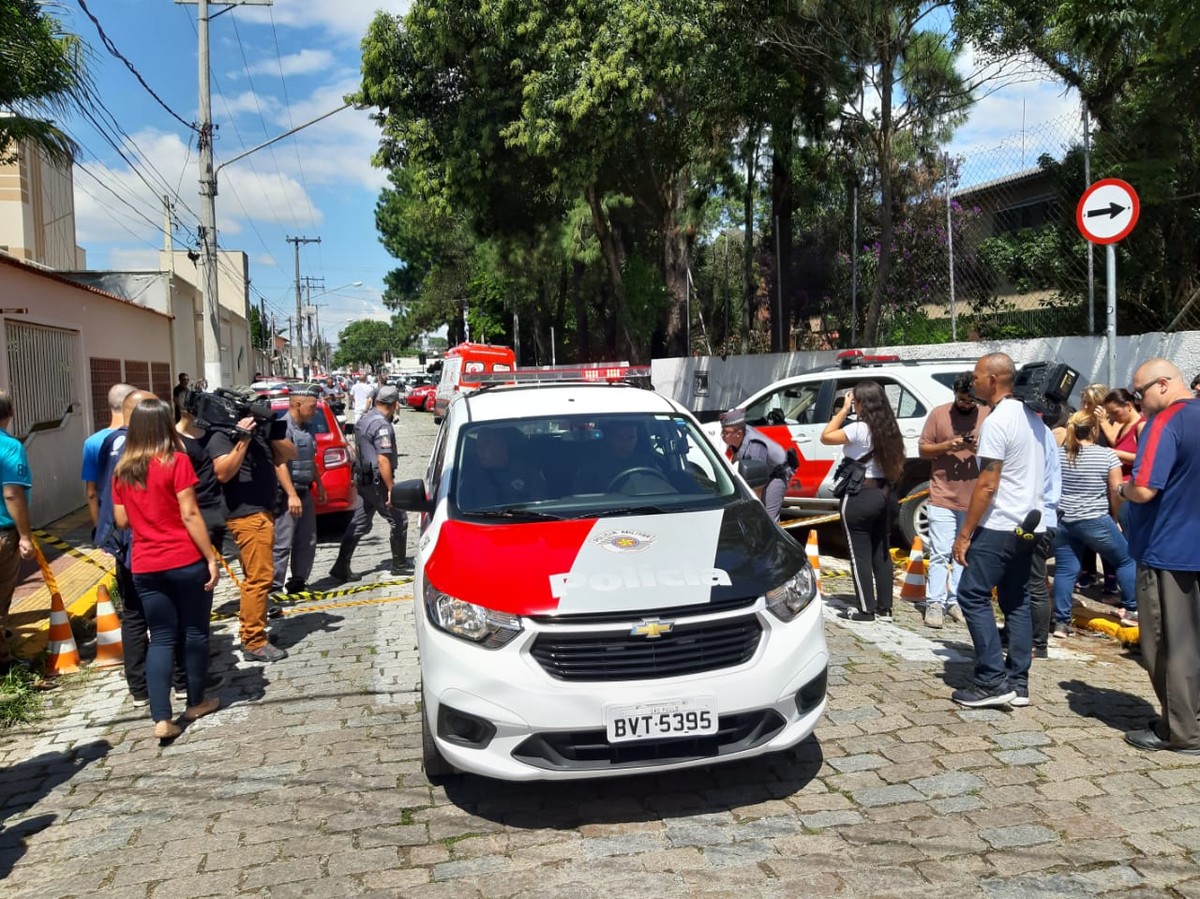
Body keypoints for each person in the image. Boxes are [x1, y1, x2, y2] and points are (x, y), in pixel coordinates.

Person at [111, 398, 220, 741]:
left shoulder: (123, 470)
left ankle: (161, 717)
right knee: (194, 632)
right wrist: (212, 558)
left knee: (159, 636)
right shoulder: (177, 462)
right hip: (185, 559)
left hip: (145, 565)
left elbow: (121, 519)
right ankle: (195, 701)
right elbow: (190, 514)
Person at [950, 352, 1048, 708]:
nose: (972, 381)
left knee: (971, 594)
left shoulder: (997, 421)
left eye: (976, 376)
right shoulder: (1032, 419)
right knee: (1016, 599)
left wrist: (965, 534)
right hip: (1030, 523)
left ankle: (991, 679)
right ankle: (1018, 682)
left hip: (1002, 523)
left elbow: (988, 484)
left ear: (993, 380)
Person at [1118, 359, 1200, 755]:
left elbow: (1145, 488)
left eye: (1140, 392)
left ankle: (1183, 732)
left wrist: (1120, 490)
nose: (1138, 400)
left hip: (1170, 551)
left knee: (1168, 644)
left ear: (1164, 385)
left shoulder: (1165, 423)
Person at [207, 397, 296, 663]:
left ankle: (257, 631)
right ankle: (253, 640)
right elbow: (222, 473)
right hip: (246, 515)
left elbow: (290, 454)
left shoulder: (260, 433)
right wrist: (243, 439)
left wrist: (270, 430)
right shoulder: (223, 435)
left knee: (256, 576)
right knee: (259, 579)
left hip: (263, 511)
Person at [820, 381, 905, 622]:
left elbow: (826, 436)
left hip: (860, 495)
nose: (853, 404)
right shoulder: (890, 429)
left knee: (859, 555)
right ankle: (885, 608)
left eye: (855, 400)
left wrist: (843, 410)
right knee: (882, 552)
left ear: (862, 403)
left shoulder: (858, 429)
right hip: (885, 493)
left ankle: (865, 610)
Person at [1051, 409, 1137, 634]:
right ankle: (1132, 610)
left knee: (1066, 568)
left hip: (1062, 519)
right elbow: (1115, 491)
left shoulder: (1058, 454)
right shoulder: (1107, 455)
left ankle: (1061, 621)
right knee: (1126, 560)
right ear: (1094, 430)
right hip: (1094, 518)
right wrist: (1116, 518)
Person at [917, 373, 987, 628]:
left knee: (964, 554)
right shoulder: (939, 414)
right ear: (955, 395)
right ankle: (934, 603)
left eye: (971, 400)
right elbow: (923, 450)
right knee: (940, 552)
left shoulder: (987, 414)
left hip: (974, 498)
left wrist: (982, 447)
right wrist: (948, 445)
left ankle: (955, 600)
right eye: (962, 399)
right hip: (943, 495)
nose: (966, 404)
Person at [330, 386, 409, 581]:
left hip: (363, 478)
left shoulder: (364, 418)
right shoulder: (382, 425)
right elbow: (383, 459)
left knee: (359, 522)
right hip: (377, 481)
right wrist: (391, 489)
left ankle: (341, 565)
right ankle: (399, 564)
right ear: (394, 405)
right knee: (399, 519)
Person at [272, 385, 326, 597]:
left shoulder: (306, 428)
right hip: (288, 493)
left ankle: (298, 581)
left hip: (305, 490)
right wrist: (291, 495)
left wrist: (319, 484)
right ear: (296, 405)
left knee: (307, 539)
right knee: (282, 542)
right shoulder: (283, 428)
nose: (315, 411)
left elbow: (309, 459)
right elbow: (280, 463)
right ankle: (274, 587)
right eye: (312, 407)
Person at [0, 391, 35, 672]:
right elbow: (12, 495)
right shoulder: (10, 447)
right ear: (10, 413)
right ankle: (4, 662)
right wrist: (25, 536)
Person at [719, 408, 793, 521]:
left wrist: (754, 507)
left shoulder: (755, 446)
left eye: (726, 432)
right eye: (722, 431)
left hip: (775, 475)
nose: (722, 435)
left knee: (768, 519)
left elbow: (758, 482)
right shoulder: (737, 438)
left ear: (738, 433)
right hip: (765, 474)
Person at [457, 425, 550, 509]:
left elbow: (540, 508)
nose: (480, 448)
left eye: (487, 442)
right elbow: (461, 511)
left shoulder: (528, 472)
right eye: (478, 443)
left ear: (503, 444)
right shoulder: (471, 477)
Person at [83, 383, 135, 529]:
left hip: (108, 525)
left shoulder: (91, 442)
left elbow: (91, 492)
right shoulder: (139, 439)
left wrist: (98, 528)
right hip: (134, 521)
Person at [572, 419, 660, 493]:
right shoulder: (592, 464)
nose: (625, 443)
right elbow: (581, 496)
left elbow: (661, 486)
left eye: (631, 437)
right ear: (610, 438)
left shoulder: (646, 461)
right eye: (619, 437)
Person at [1102, 388, 1146, 481]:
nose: (1113, 418)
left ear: (1128, 405)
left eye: (1115, 412)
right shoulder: (1123, 426)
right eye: (1110, 414)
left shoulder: (1141, 426)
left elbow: (1146, 459)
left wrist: (1116, 453)